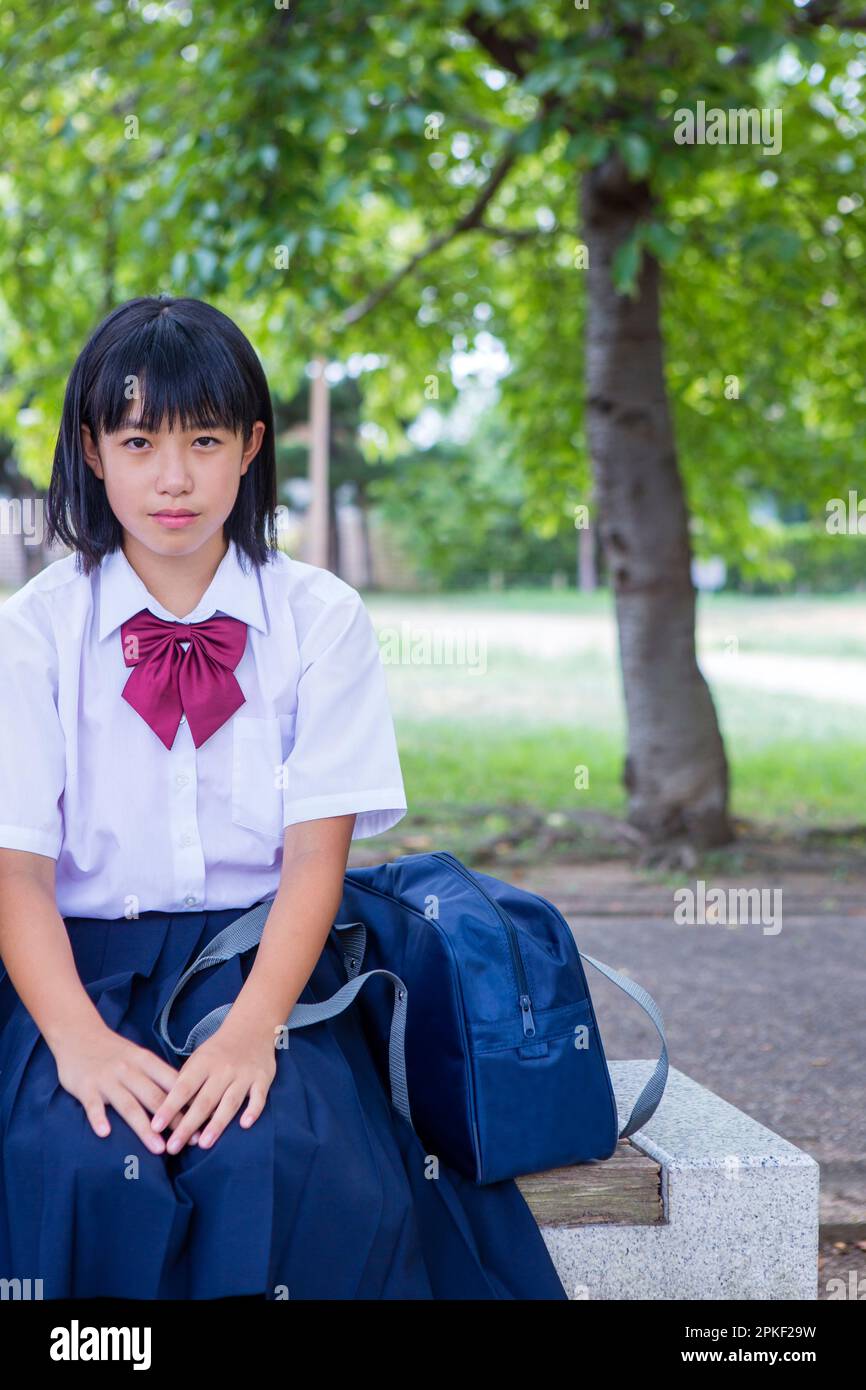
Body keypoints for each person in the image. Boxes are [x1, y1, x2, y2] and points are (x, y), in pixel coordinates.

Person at [0, 294, 568, 1300]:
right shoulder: (34, 631)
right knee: (81, 1162)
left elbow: (316, 859)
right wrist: (80, 1042)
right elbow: (15, 871)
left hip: (265, 959)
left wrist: (254, 1025)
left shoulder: (319, 618)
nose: (171, 477)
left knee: (277, 1155)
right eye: (137, 441)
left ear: (251, 445)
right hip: (74, 965)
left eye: (204, 440)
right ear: (91, 450)